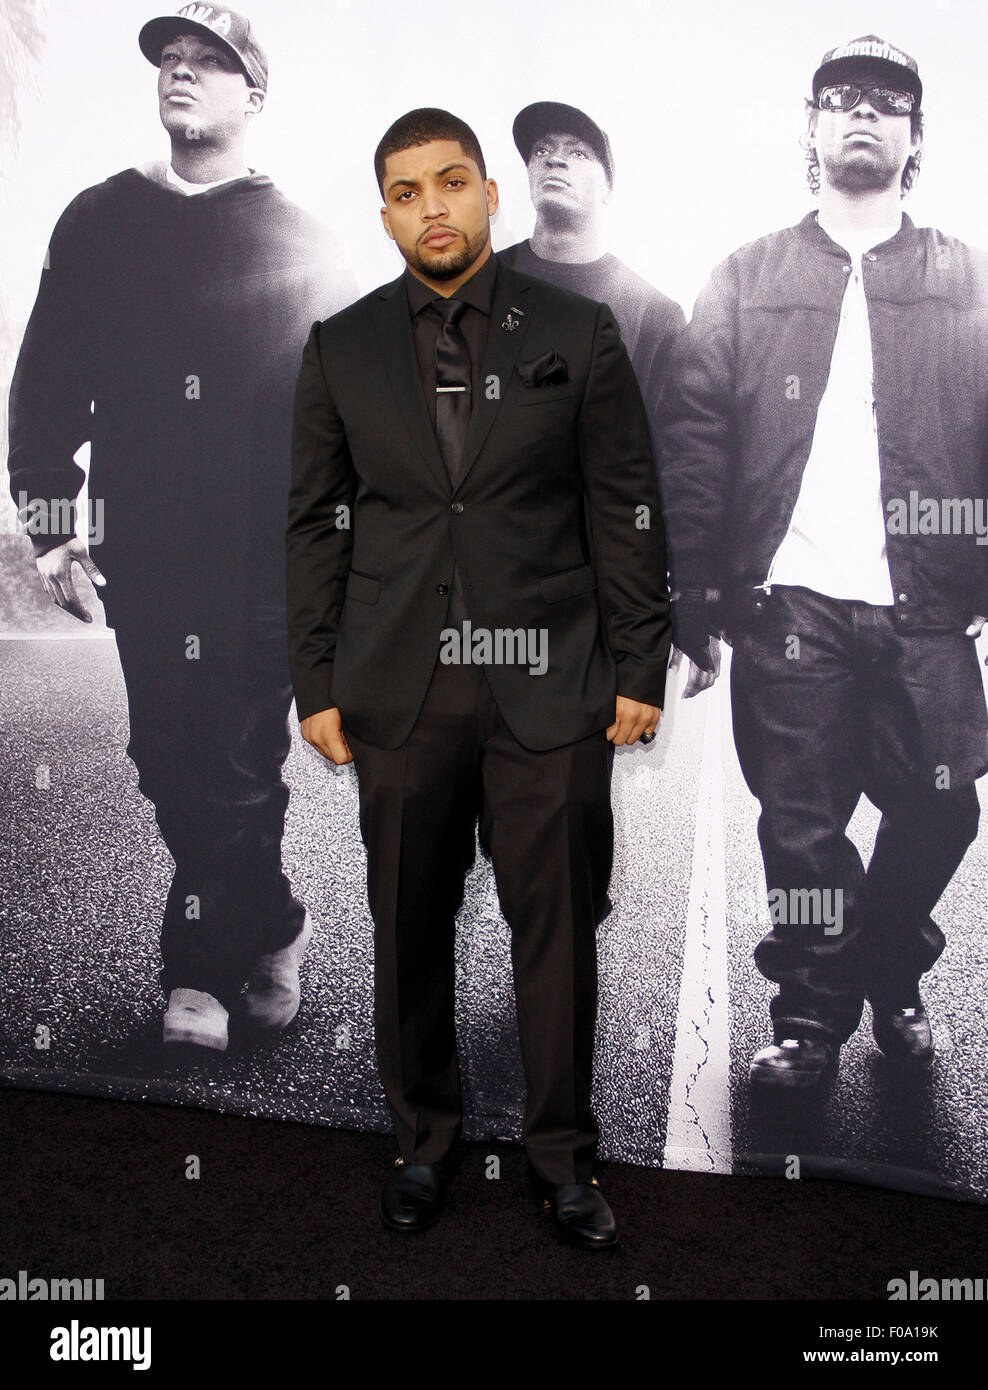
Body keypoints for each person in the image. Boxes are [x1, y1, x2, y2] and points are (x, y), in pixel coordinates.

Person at [286, 107, 671, 1247]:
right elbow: (313, 528)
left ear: (490, 195)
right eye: (406, 192)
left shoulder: (580, 329)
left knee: (555, 932)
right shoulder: (339, 346)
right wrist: (316, 682)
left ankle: (561, 1160)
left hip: (550, 688)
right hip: (399, 688)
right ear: (387, 213)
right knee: (408, 925)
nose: (432, 207)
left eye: (451, 182)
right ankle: (422, 1141)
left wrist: (638, 659)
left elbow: (625, 504)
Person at [7, 5, 355, 1052]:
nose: (182, 73)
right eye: (172, 58)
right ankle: (277, 921)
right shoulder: (98, 220)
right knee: (168, 756)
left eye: (211, 62)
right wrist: (55, 529)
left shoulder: (303, 241)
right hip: (143, 552)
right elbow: (46, 389)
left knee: (238, 758)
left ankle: (196, 975)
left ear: (253, 97)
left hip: (264, 557)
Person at [659, 36, 988, 1088]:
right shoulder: (747, 273)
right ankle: (808, 1022)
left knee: (941, 803)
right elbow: (697, 435)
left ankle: (889, 966)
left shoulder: (961, 274)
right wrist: (696, 594)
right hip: (788, 601)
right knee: (801, 828)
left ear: (915, 136)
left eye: (887, 100)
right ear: (809, 126)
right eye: (840, 97)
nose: (862, 112)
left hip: (925, 604)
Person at [498, 101, 684, 455]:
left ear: (608, 188)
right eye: (541, 150)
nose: (555, 160)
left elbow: (662, 458)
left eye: (580, 153)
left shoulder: (655, 317)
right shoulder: (478, 286)